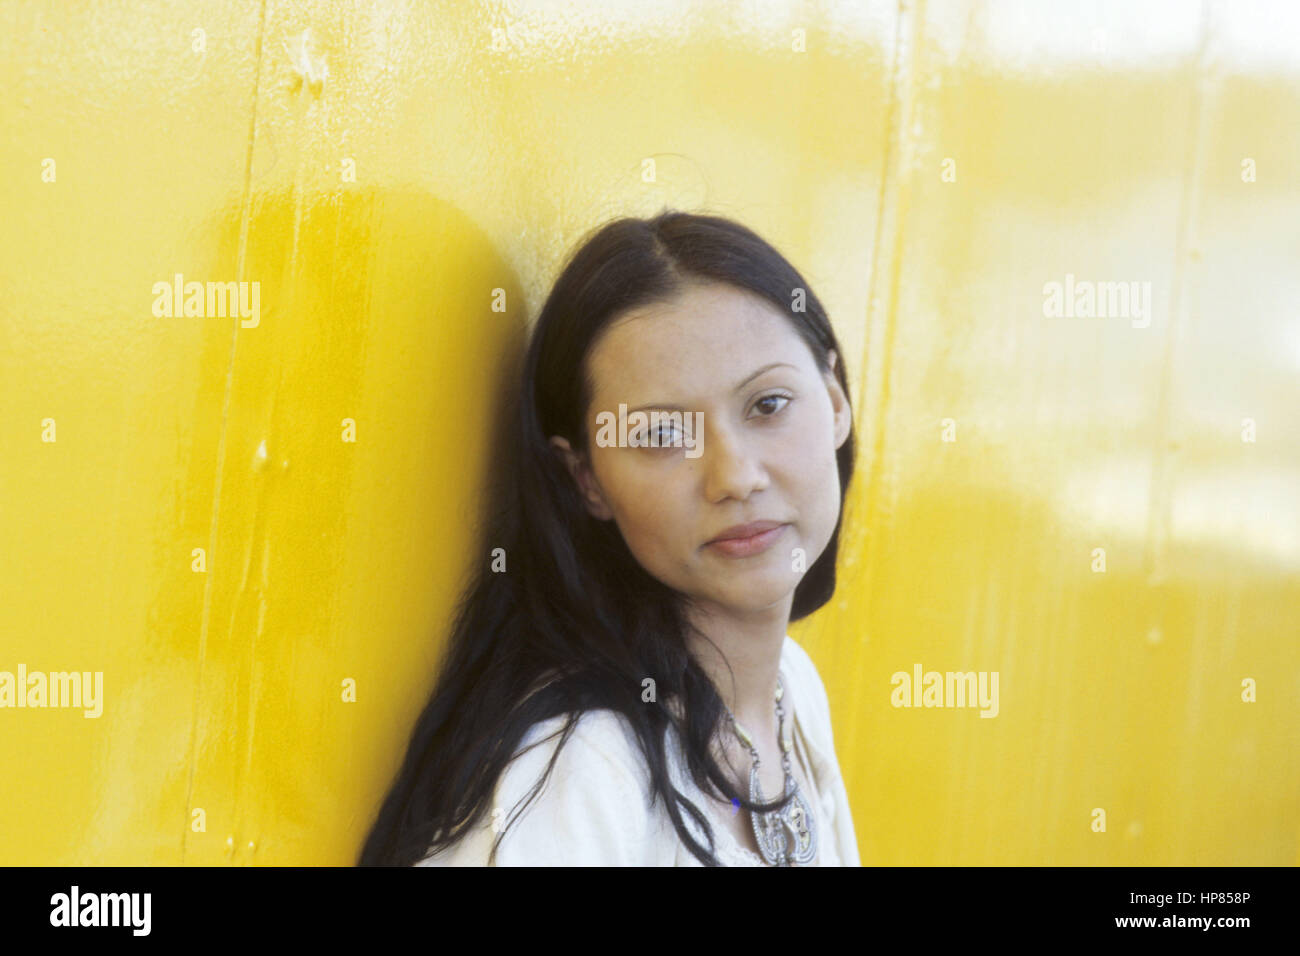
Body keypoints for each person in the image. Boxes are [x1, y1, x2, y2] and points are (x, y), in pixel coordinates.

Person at [358, 210, 860, 866]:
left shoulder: (791, 691)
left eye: (767, 405)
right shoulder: (584, 765)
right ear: (586, 479)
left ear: (835, 400)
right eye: (659, 436)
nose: (734, 476)